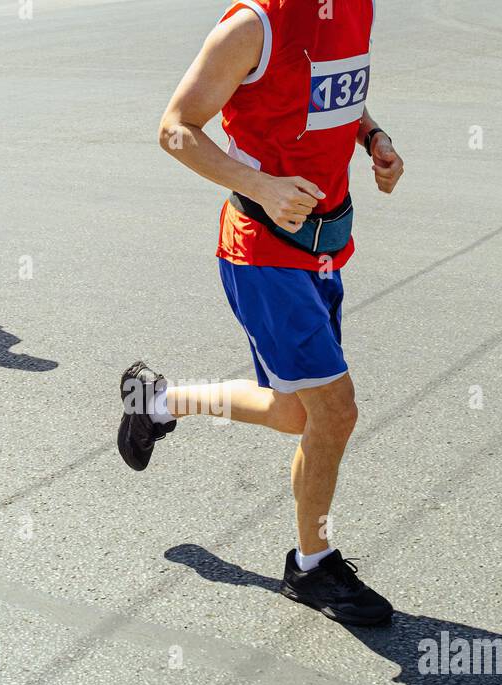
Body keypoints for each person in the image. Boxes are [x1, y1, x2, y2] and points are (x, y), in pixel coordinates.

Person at [118, 0, 406, 626]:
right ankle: (311, 564)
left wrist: (373, 138)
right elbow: (176, 128)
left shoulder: (357, 9)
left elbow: (337, 94)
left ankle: (159, 401)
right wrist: (265, 187)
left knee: (294, 413)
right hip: (263, 254)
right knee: (336, 409)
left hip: (323, 247)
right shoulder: (255, 25)